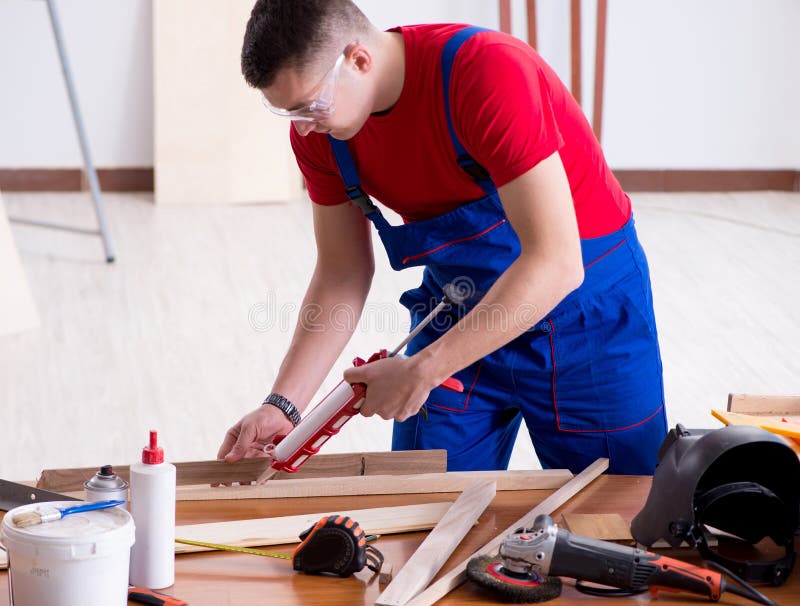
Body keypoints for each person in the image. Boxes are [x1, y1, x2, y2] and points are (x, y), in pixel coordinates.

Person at [217, 0, 668, 474]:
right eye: (288, 113)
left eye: (311, 105)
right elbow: (342, 272)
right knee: (421, 507)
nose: (304, 125)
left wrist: (423, 371)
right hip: (460, 308)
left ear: (358, 60)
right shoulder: (319, 134)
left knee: (618, 513)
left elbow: (556, 261)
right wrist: (283, 406)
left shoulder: (488, 74)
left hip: (585, 316)